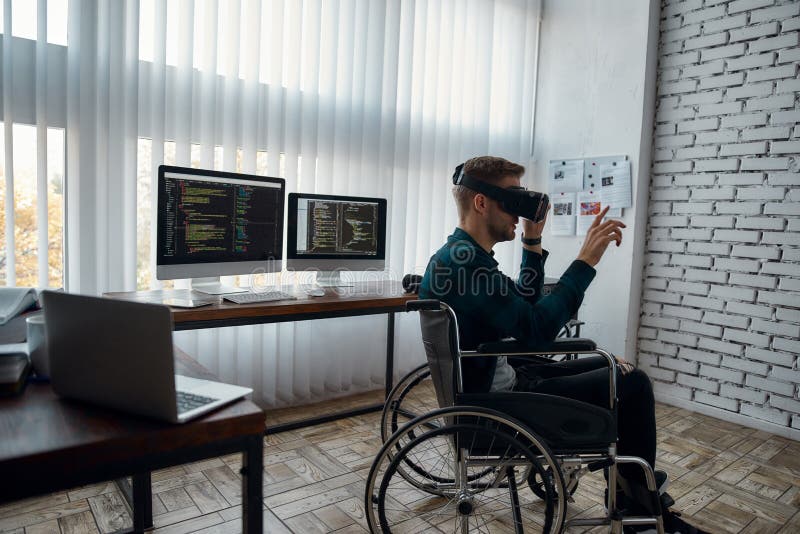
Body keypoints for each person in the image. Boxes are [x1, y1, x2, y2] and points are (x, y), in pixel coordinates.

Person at [419, 156, 708, 534]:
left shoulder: (460, 257)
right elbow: (537, 331)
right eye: (513, 200)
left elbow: (525, 303)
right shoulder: (466, 265)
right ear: (481, 202)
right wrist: (585, 262)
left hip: (494, 387)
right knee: (632, 384)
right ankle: (639, 510)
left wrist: (532, 241)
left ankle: (633, 492)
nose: (519, 211)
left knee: (613, 370)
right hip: (498, 407)